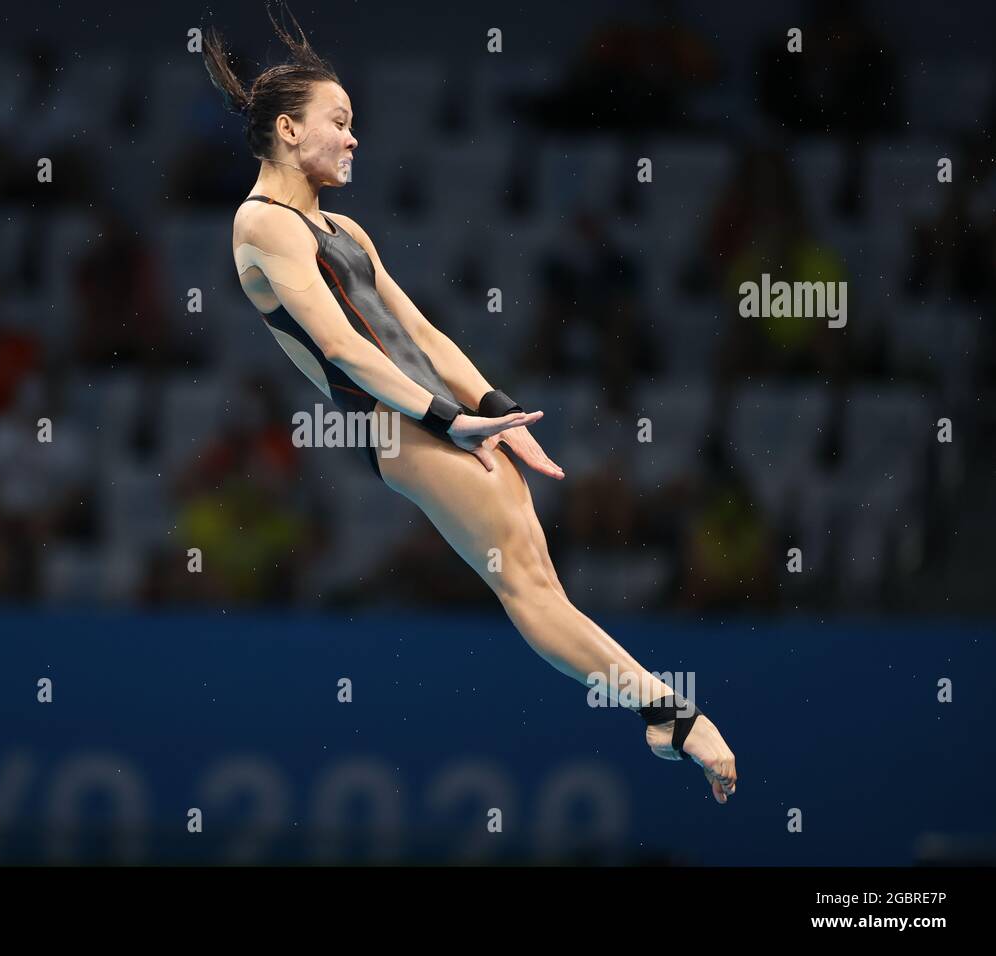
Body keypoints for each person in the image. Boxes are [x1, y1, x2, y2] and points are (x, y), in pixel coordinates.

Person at [204, 1, 737, 803]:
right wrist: (449, 420)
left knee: (538, 579)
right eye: (338, 122)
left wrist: (497, 410)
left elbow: (421, 332)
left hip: (440, 418)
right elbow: (342, 349)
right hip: (399, 425)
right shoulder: (261, 224)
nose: (353, 138)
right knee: (525, 585)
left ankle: (662, 713)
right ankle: (670, 713)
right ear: (287, 130)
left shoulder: (346, 230)